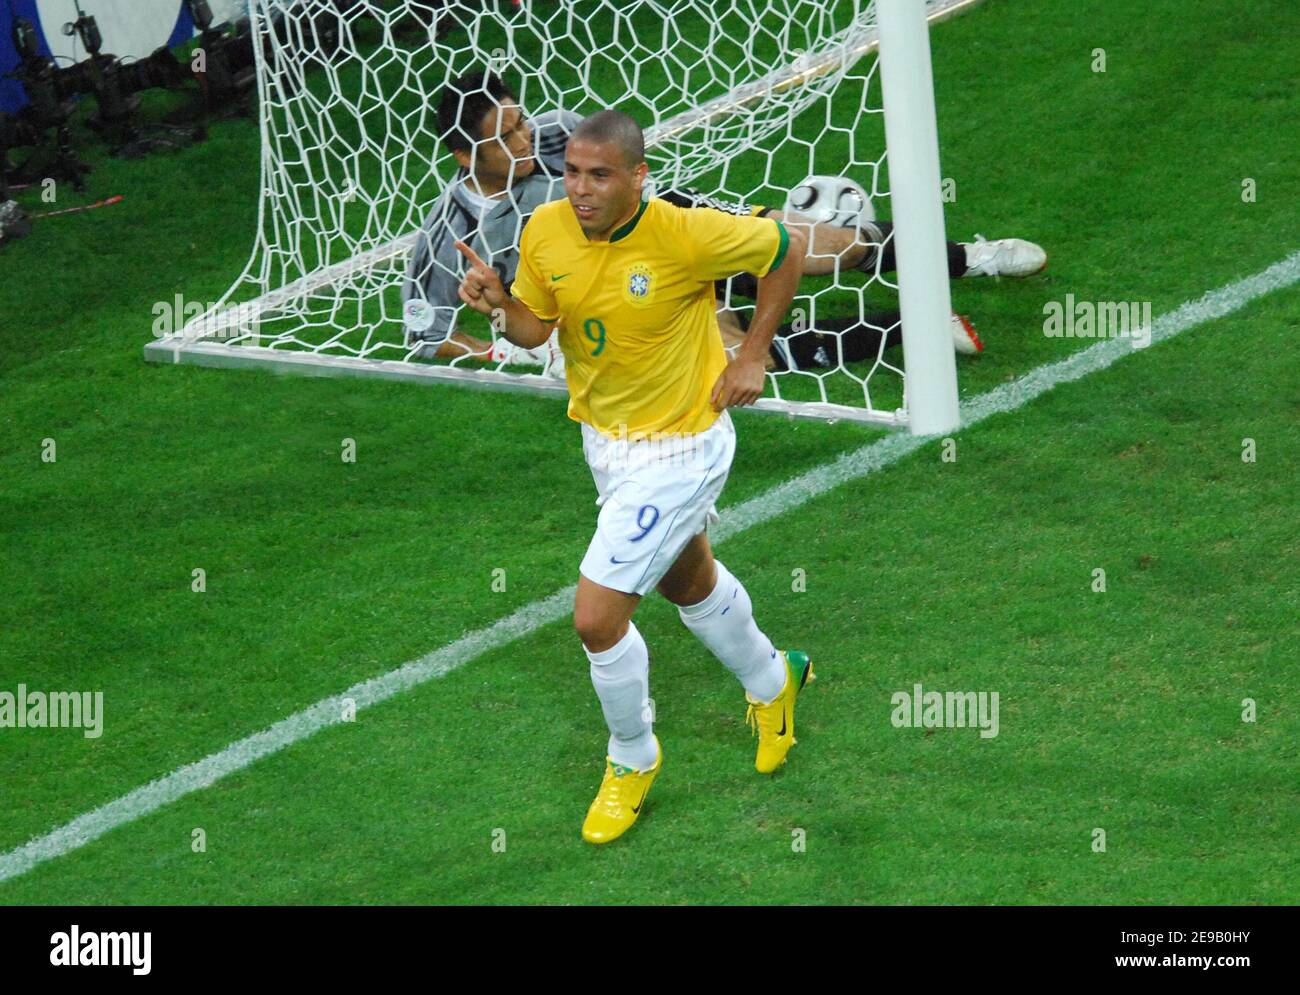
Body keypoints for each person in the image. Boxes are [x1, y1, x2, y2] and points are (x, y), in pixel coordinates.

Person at [455, 109, 815, 844]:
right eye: (573, 173)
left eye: (600, 175)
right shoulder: (547, 229)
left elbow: (787, 246)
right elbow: (538, 325)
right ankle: (774, 678)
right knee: (688, 582)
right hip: (605, 443)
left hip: (683, 446)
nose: (581, 190)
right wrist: (499, 305)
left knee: (596, 616)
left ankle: (632, 756)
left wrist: (751, 354)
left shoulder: (685, 234)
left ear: (637, 176)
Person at [406, 72, 1044, 366]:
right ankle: (915, 326)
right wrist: (499, 348)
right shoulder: (445, 233)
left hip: (669, 229)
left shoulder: (561, 135)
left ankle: (972, 258)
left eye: (521, 123)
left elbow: (630, 172)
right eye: (505, 136)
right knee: (743, 359)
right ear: (465, 155)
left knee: (820, 248)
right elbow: (427, 336)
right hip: (609, 295)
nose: (524, 140)